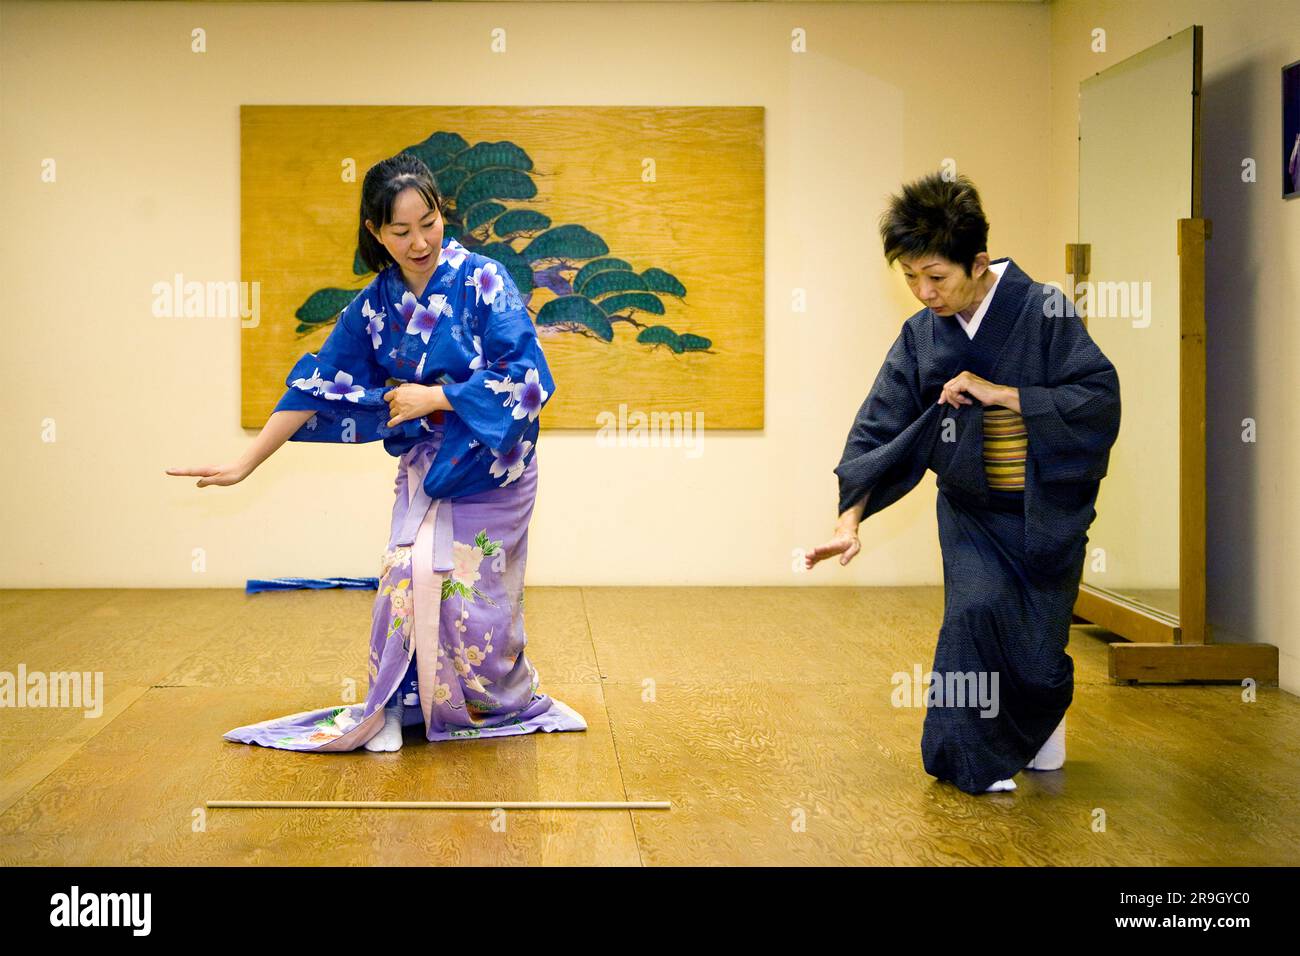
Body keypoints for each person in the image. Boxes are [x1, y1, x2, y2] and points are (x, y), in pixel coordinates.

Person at [166, 152, 586, 752]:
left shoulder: (484, 279)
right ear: (375, 232)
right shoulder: (373, 306)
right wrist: (246, 461)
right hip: (424, 469)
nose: (419, 241)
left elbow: (527, 380)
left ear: (442, 213)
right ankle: (392, 704)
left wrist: (433, 396)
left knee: (473, 601)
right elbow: (317, 385)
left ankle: (493, 704)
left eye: (429, 221)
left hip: (494, 465)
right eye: (400, 229)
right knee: (403, 577)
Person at [805, 172, 1120, 794]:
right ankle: (970, 759)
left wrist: (998, 393)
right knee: (973, 616)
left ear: (978, 263)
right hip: (972, 511)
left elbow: (1097, 398)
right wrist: (848, 519)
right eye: (910, 279)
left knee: (1036, 651)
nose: (923, 293)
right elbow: (879, 425)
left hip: (1047, 505)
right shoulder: (922, 335)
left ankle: (1035, 723)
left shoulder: (1043, 309)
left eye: (936, 277)